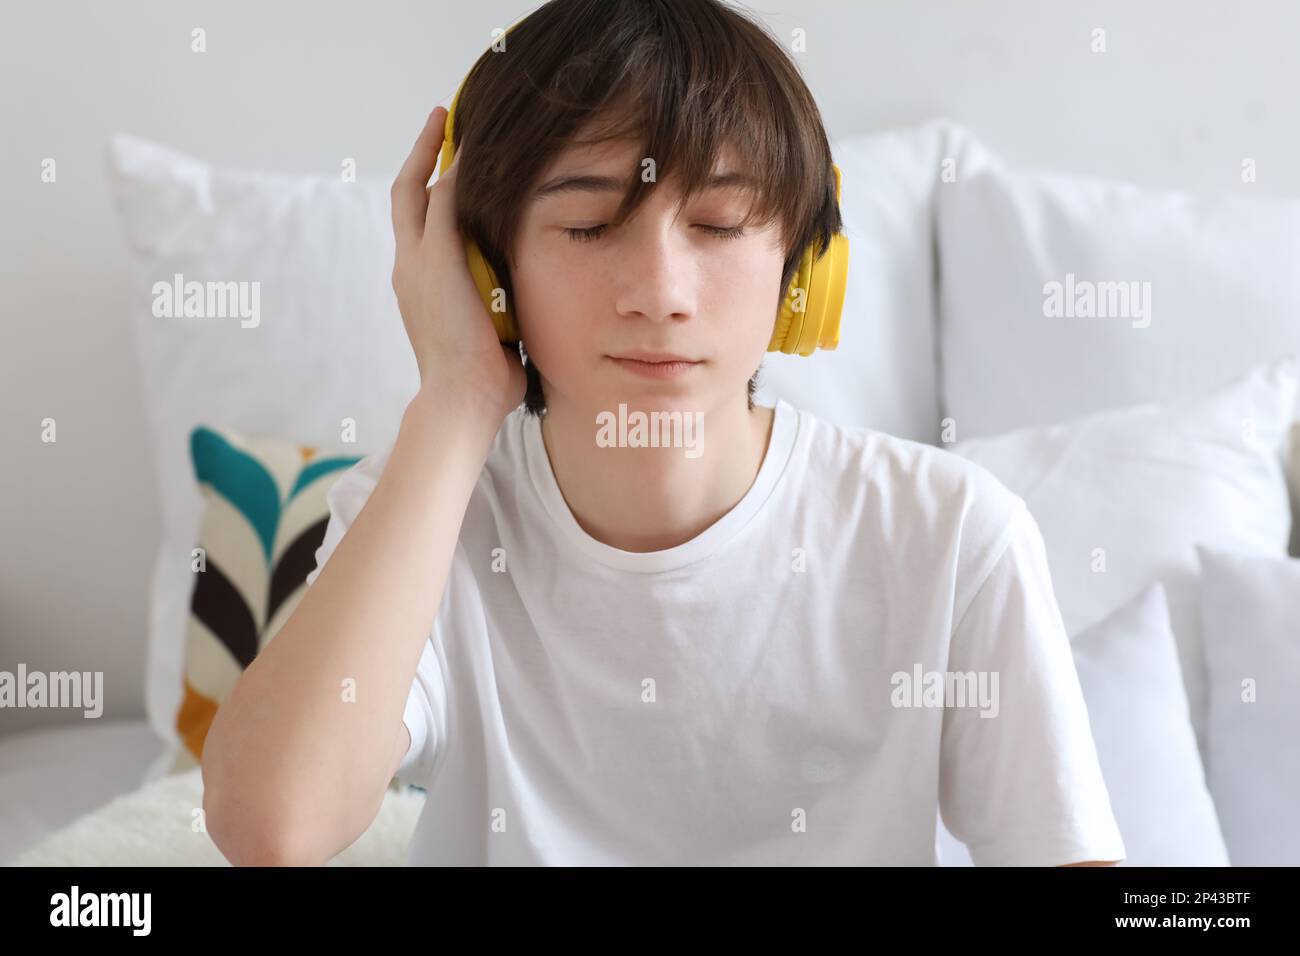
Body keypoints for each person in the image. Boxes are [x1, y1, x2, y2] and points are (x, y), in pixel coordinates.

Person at [202, 0, 1125, 867]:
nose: (660, 293)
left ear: (804, 274)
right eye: (591, 224)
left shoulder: (954, 533)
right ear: (488, 267)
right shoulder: (426, 512)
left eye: (720, 224)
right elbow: (272, 826)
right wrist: (454, 396)